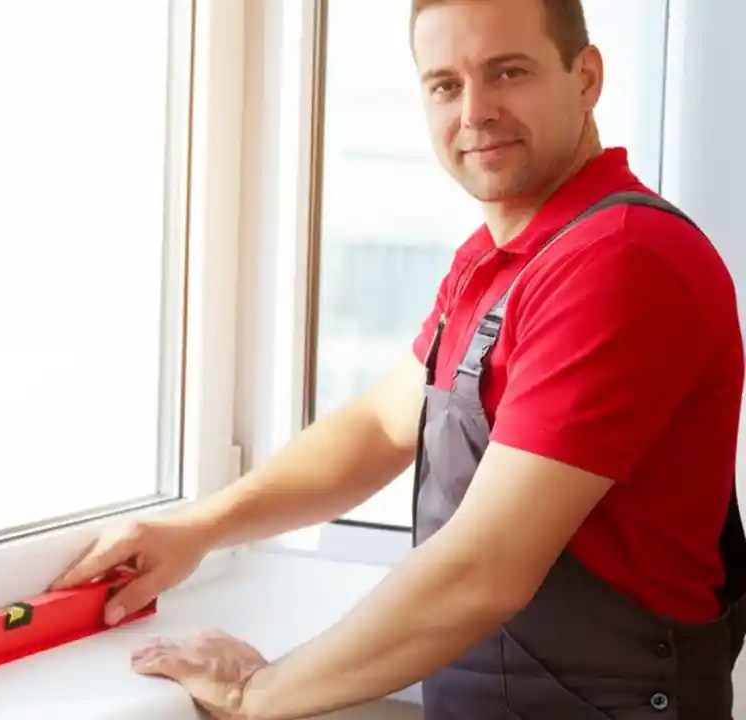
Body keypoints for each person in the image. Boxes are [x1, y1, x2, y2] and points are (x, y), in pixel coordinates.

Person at [49, 0, 746, 717]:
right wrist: (199, 527)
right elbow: (383, 425)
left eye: (507, 72)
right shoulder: (500, 260)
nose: (475, 111)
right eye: (445, 84)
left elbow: (484, 571)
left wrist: (259, 693)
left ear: (586, 77)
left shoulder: (621, 261)